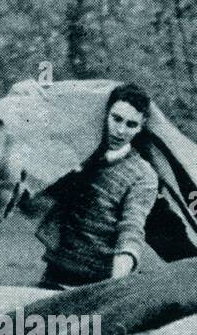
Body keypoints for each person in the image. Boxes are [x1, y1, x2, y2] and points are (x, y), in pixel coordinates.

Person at [35, 83, 161, 288]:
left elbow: (131, 229)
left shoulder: (144, 176)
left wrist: (116, 284)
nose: (120, 131)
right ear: (106, 114)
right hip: (54, 272)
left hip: (96, 282)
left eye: (131, 124)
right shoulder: (82, 153)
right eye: (116, 118)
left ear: (141, 126)